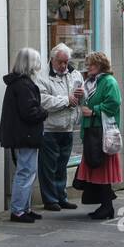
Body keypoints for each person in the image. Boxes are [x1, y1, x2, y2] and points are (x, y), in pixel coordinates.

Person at [0, 47, 47, 223]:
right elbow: (30, 112)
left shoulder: (18, 84)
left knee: (27, 171)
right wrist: (44, 112)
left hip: (20, 134)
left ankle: (24, 207)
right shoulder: (24, 85)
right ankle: (19, 210)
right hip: (25, 135)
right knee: (25, 171)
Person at [74, 51, 123, 220]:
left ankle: (107, 206)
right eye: (87, 64)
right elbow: (87, 104)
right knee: (97, 169)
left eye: (92, 64)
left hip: (101, 134)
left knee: (102, 169)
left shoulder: (109, 81)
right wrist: (80, 98)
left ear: (101, 65)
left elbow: (114, 103)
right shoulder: (90, 82)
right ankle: (105, 205)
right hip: (91, 131)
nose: (88, 67)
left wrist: (94, 111)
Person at [35, 43, 84, 211]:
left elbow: (80, 97)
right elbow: (43, 101)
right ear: (52, 59)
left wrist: (81, 96)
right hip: (50, 128)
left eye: (66, 62)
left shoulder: (75, 74)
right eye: (60, 62)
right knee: (49, 167)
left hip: (68, 127)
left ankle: (61, 196)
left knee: (62, 165)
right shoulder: (42, 77)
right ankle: (50, 200)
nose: (63, 66)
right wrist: (66, 100)